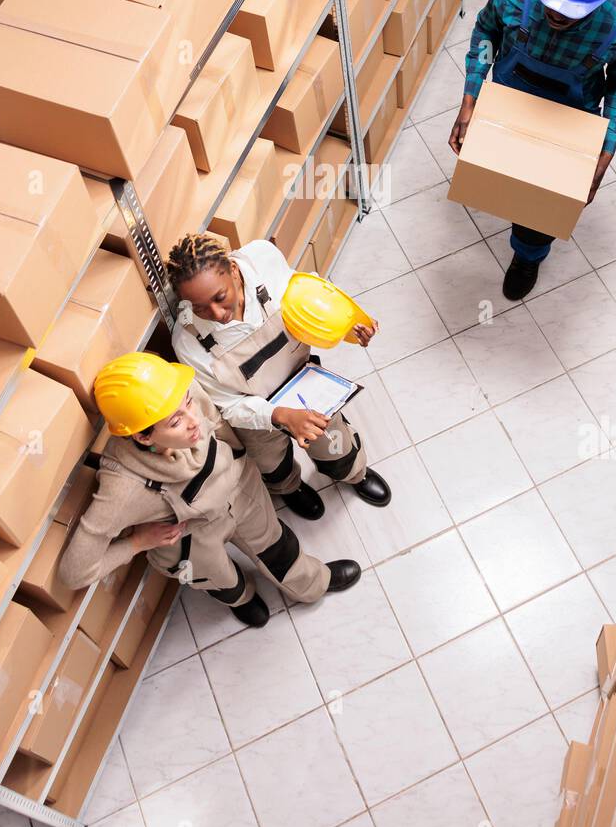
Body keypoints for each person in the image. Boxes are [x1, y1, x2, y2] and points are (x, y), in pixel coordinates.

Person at [58, 352, 361, 628]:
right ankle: (240, 599)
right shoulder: (122, 489)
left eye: (187, 404)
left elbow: (220, 430)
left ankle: (313, 585)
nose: (194, 422)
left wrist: (240, 467)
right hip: (193, 538)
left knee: (276, 545)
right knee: (220, 578)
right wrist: (136, 543)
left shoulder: (184, 395)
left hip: (240, 490)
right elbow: (74, 572)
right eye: (176, 422)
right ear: (143, 438)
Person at [449, 0, 616, 301]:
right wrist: (470, 98)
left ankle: (528, 255)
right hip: (510, 105)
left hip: (567, 124)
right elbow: (486, 32)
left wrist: (606, 149)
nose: (556, 14)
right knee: (498, 180)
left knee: (539, 209)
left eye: (570, 12)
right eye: (552, 3)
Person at [168, 233, 391, 521]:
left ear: (234, 271)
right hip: (256, 414)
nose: (216, 313)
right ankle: (291, 488)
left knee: (335, 443)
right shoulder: (188, 341)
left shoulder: (262, 260)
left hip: (306, 385)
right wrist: (281, 416)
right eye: (199, 307)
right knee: (273, 465)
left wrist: (351, 325)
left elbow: (310, 299)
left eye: (220, 297)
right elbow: (230, 405)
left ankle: (354, 474)